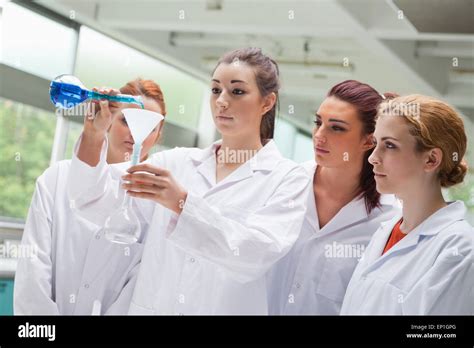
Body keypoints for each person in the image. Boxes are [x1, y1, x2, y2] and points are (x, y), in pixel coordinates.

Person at [67, 47, 312, 315]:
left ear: (267, 102)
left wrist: (183, 203)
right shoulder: (175, 163)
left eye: (237, 91)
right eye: (216, 90)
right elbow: (92, 201)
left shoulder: (288, 177)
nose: (221, 101)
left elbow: (255, 254)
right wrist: (94, 134)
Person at [14, 78, 166, 315]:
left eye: (150, 127)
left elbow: (140, 287)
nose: (136, 134)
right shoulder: (56, 179)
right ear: (110, 118)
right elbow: (33, 268)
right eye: (126, 121)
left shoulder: (157, 203)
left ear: (158, 134)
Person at [267, 80, 401, 315]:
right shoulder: (281, 184)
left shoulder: (388, 220)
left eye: (336, 128)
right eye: (318, 122)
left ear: (369, 140)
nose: (319, 135)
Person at [341, 94, 474, 315]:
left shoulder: (459, 249)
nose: (373, 157)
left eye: (390, 145)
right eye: (376, 144)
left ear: (431, 159)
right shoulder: (385, 232)